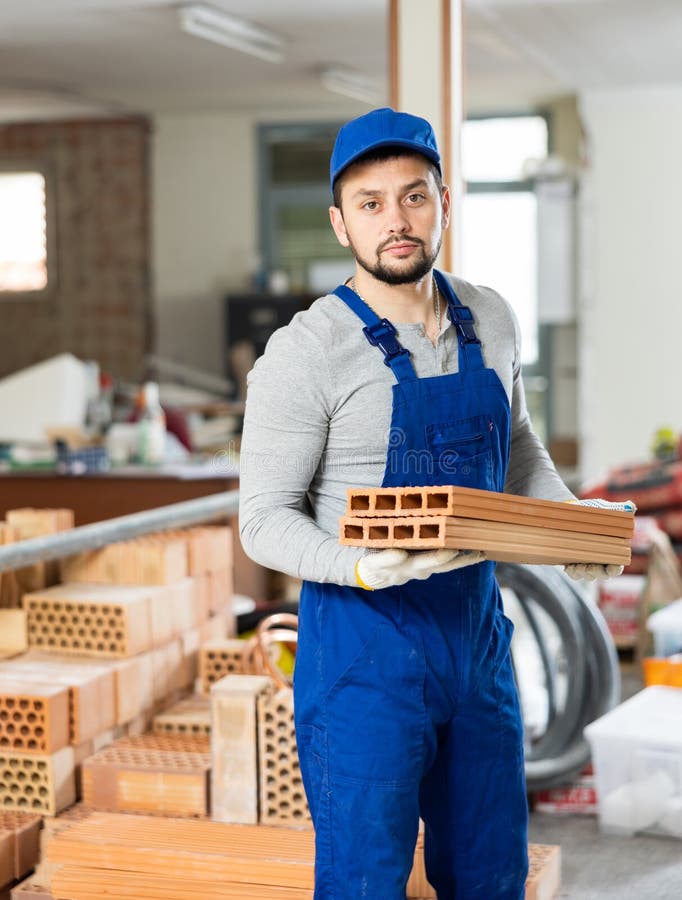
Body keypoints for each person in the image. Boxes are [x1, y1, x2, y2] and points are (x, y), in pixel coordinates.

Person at [239, 107, 627, 900]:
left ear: (444, 203)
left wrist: (569, 529)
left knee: (491, 869)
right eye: (372, 203)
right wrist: (361, 565)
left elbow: (518, 449)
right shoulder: (305, 353)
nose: (397, 221)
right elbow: (263, 518)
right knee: (365, 878)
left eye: (414, 196)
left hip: (476, 637)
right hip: (363, 654)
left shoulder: (493, 318)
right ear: (340, 224)